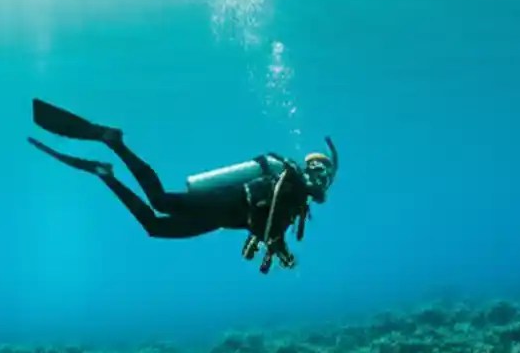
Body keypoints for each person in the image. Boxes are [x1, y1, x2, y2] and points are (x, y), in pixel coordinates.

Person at [27, 98, 339, 274]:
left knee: (155, 227)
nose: (321, 178)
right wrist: (276, 242)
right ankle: (114, 142)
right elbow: (266, 217)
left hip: (223, 218)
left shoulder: (298, 203)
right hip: (227, 204)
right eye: (319, 171)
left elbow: (270, 226)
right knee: (160, 202)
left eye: (325, 173)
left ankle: (105, 174)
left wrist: (280, 249)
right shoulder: (293, 180)